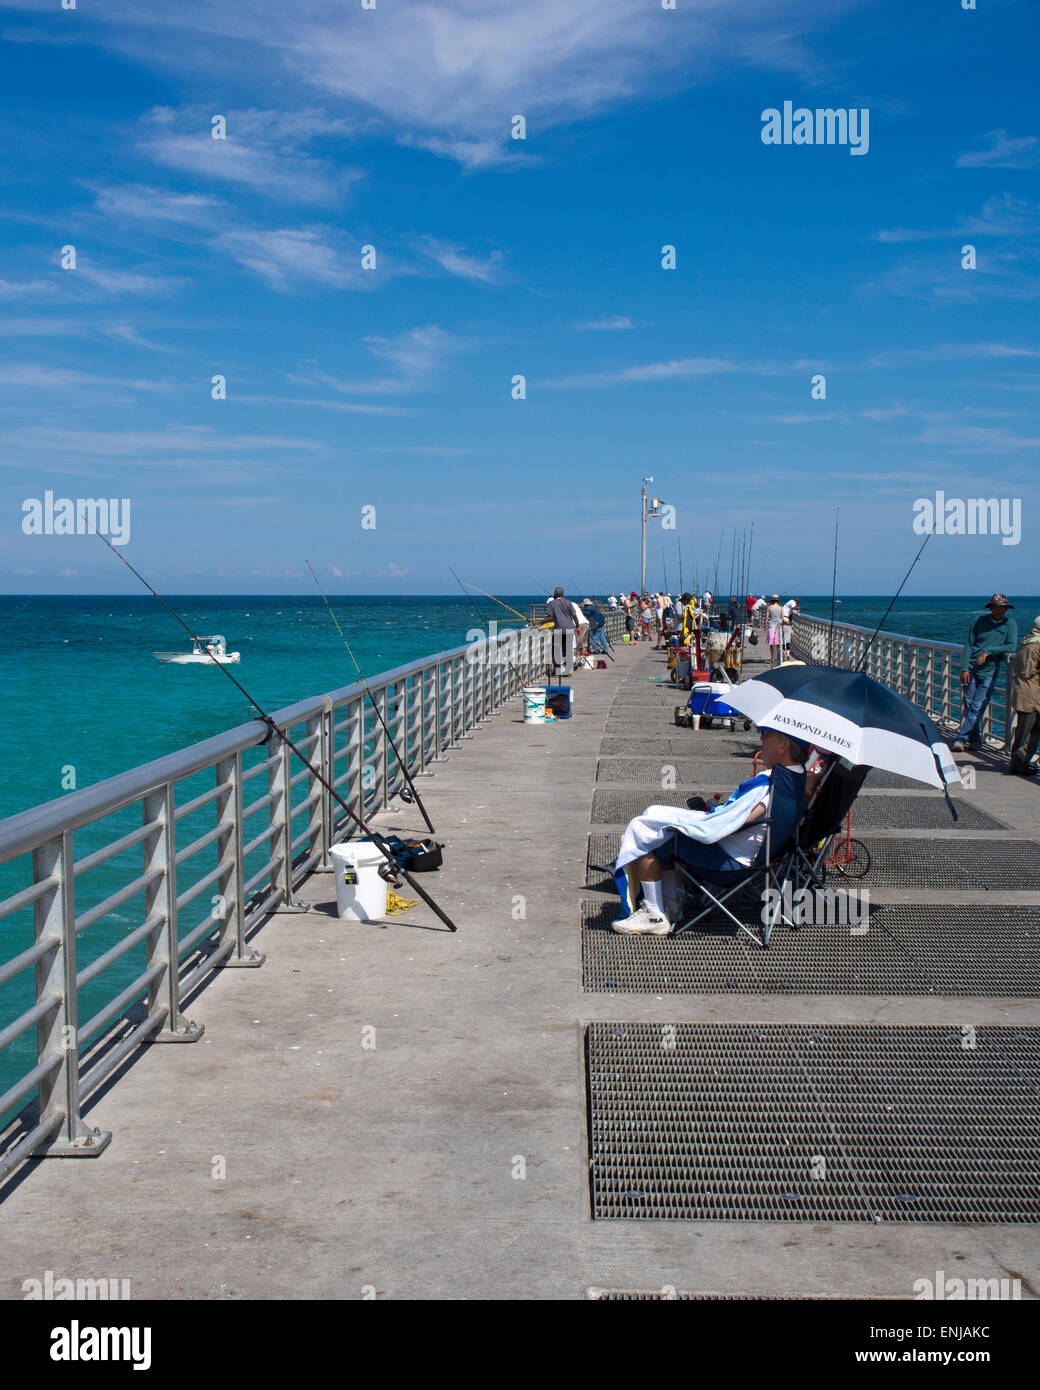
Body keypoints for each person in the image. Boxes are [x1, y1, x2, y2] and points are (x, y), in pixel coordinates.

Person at [611, 728, 810, 935]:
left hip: (729, 865)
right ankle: (669, 904)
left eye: (765, 734)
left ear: (783, 744)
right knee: (655, 816)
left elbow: (736, 822)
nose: (760, 739)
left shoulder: (770, 783)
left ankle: (653, 914)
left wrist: (696, 824)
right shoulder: (795, 778)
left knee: (646, 833)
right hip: (756, 859)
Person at [952, 594, 1018, 752]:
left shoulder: (1010, 624)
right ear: (991, 607)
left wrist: (989, 651)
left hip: (989, 671)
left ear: (1006, 609)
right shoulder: (979, 621)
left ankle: (961, 738)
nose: (1000, 610)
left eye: (1003, 608)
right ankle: (975, 740)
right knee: (969, 705)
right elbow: (968, 644)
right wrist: (964, 668)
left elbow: (1011, 647)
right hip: (971, 669)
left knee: (977, 706)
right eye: (997, 607)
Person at [1009, 614, 1040, 776]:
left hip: (1025, 692)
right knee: (1028, 731)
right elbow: (1028, 671)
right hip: (1031, 694)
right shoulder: (1035, 646)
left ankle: (1019, 762)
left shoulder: (1026, 642)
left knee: (1026, 729)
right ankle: (1021, 763)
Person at [766, 594, 784, 667]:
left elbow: (767, 618)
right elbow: (782, 618)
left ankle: (772, 657)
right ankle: (778, 656)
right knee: (778, 642)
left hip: (771, 625)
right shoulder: (781, 608)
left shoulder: (769, 607)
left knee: (771, 643)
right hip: (778, 626)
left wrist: (765, 626)